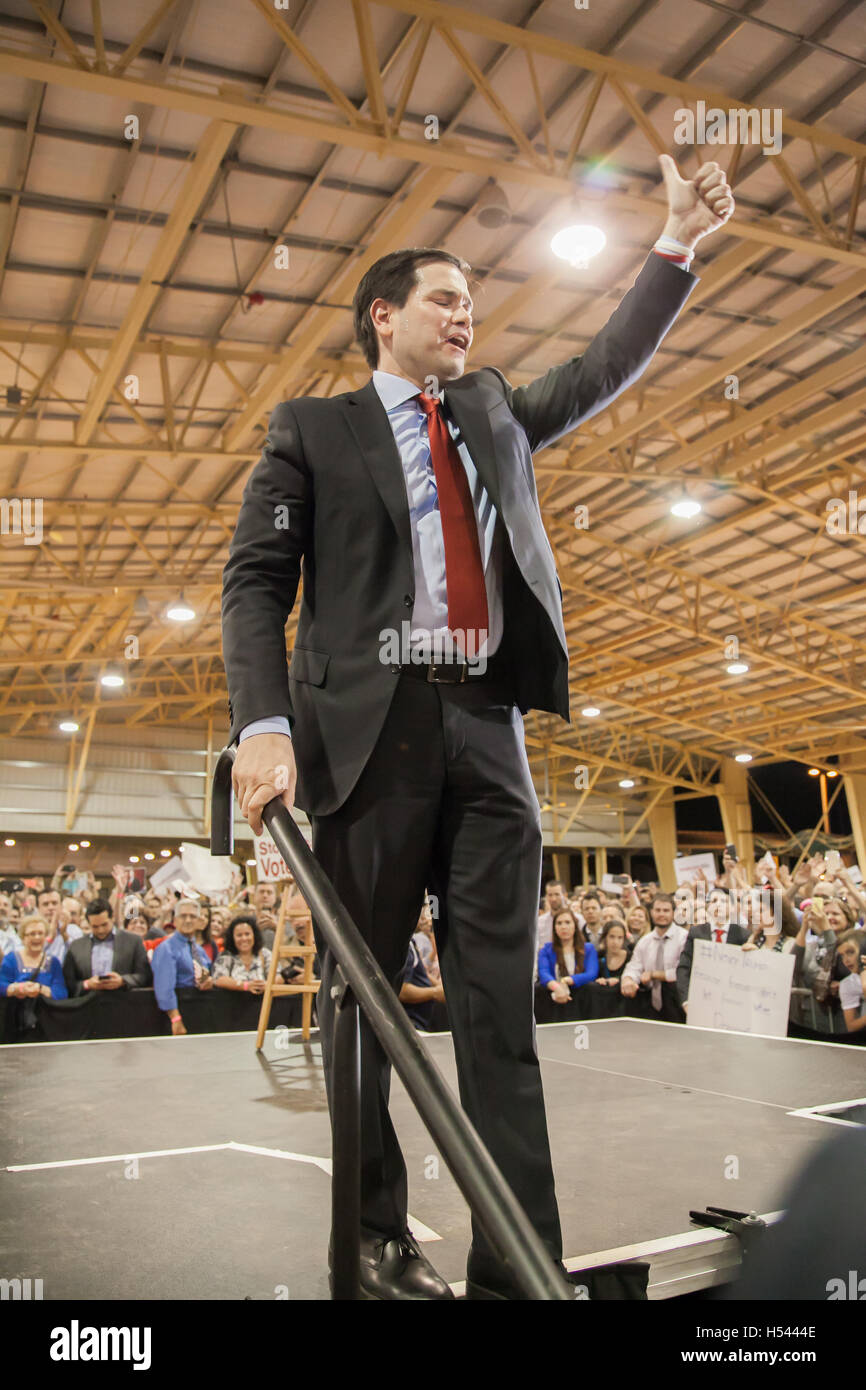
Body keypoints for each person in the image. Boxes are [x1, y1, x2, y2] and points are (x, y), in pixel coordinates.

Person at [222, 153, 735, 1300]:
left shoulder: (492, 407)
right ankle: (371, 1243)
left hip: (487, 722)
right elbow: (254, 581)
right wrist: (260, 725)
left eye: (473, 304)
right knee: (361, 1000)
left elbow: (602, 365)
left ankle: (517, 1262)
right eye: (445, 299)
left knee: (497, 1008)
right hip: (366, 732)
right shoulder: (311, 428)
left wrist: (675, 244)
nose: (466, 316)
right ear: (383, 316)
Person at [675, 887, 750, 1014]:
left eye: (724, 901)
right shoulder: (696, 932)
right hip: (702, 1000)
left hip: (733, 1003)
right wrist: (686, 1001)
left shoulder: (743, 935)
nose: (718, 905)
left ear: (732, 907)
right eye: (714, 901)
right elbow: (684, 968)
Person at [62, 897, 151, 997]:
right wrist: (87, 984)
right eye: (95, 926)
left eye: (104, 925)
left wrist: (123, 981)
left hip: (124, 1004)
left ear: (112, 917)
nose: (100, 930)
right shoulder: (76, 947)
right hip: (87, 1005)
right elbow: (68, 983)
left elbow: (145, 976)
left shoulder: (133, 941)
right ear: (88, 923)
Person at [622, 893, 688, 1022]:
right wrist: (628, 979)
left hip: (678, 1002)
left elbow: (683, 972)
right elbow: (634, 966)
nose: (661, 914)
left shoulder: (684, 938)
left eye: (666, 910)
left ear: (673, 913)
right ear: (651, 913)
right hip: (651, 1004)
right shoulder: (645, 941)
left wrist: (653, 974)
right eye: (658, 910)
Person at [151, 898, 214, 1035]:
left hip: (199, 1011)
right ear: (175, 920)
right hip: (177, 1013)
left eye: (192, 916)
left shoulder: (199, 949)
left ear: (199, 921)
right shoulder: (166, 948)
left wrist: (208, 981)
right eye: (183, 916)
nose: (188, 920)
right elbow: (164, 988)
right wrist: (175, 1018)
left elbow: (207, 973)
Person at [0, 915, 68, 1036]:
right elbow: (2, 985)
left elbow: (61, 993)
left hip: (46, 1025)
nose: (37, 937)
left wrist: (40, 989)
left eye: (40, 933)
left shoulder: (54, 962)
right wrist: (18, 989)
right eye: (32, 934)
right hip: (15, 1023)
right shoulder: (11, 959)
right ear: (22, 937)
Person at [537, 908, 597, 1006]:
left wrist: (568, 980)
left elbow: (591, 973)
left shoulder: (589, 948)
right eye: (559, 923)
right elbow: (543, 973)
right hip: (555, 998)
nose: (563, 927)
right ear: (554, 928)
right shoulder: (546, 950)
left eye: (567, 922)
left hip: (582, 1000)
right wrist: (556, 987)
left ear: (575, 926)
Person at [212, 914, 271, 993]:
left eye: (247, 934)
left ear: (254, 935)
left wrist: (267, 985)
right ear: (232, 938)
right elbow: (218, 979)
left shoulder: (265, 954)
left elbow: (278, 976)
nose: (244, 938)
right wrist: (245, 986)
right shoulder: (226, 956)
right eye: (239, 935)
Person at [36, 887, 83, 964]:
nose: (50, 908)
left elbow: (80, 956)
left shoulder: (74, 930)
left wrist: (64, 934)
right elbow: (30, 955)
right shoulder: (32, 931)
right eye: (45, 904)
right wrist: (50, 937)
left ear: (61, 906)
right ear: (38, 908)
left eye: (54, 903)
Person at [835, 929, 866, 1034]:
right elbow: (851, 1026)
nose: (846, 960)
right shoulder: (848, 984)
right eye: (842, 955)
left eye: (850, 952)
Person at [596, 921, 630, 987]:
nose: (615, 942)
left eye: (620, 938)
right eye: (612, 937)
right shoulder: (599, 956)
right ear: (605, 937)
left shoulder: (631, 958)